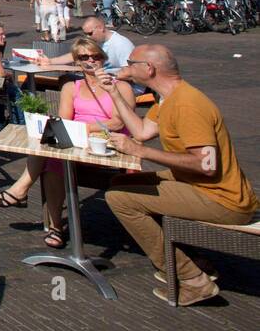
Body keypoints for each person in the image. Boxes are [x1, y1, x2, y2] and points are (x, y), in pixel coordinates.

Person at [105, 45, 259, 306]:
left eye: (131, 63)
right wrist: (114, 95)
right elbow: (141, 131)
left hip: (222, 198)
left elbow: (206, 165)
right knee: (122, 182)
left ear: (149, 69)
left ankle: (190, 279)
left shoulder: (188, 105)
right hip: (197, 184)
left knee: (119, 198)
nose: (127, 67)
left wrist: (140, 152)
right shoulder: (168, 98)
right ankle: (193, 261)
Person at [0, 37, 132, 248]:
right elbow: (64, 119)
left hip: (109, 144)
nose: (91, 60)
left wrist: (83, 127)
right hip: (78, 139)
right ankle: (55, 226)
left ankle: (20, 190)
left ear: (104, 58)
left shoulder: (121, 87)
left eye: (96, 56)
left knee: (50, 153)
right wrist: (74, 130)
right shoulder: (71, 87)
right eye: (84, 57)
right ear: (77, 62)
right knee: (50, 155)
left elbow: (118, 123)